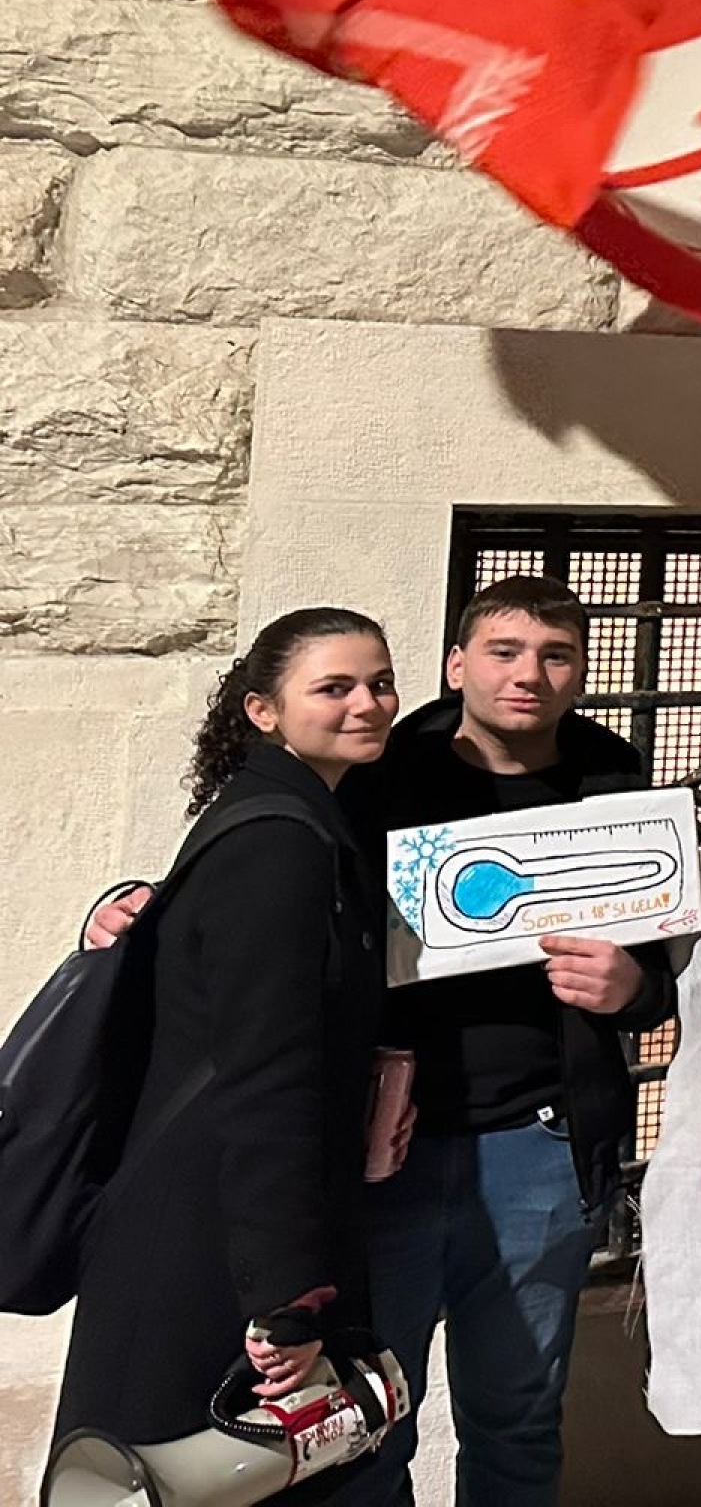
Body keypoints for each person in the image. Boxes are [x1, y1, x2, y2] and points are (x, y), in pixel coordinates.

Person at [337, 576, 679, 1507]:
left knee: (519, 1425)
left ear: (578, 673)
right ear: (457, 665)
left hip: (541, 1145)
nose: (528, 674)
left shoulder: (616, 781)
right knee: (364, 1429)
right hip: (386, 1154)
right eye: (504, 651)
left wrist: (632, 987)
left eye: (554, 655)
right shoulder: (380, 773)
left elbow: (658, 969)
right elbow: (291, 912)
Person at [55, 609, 397, 1479]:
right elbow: (267, 1077)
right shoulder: (280, 843)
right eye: (335, 687)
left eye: (380, 683)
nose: (368, 704)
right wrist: (287, 1294)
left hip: (211, 1229)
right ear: (262, 711)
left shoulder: (294, 818)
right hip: (212, 1249)